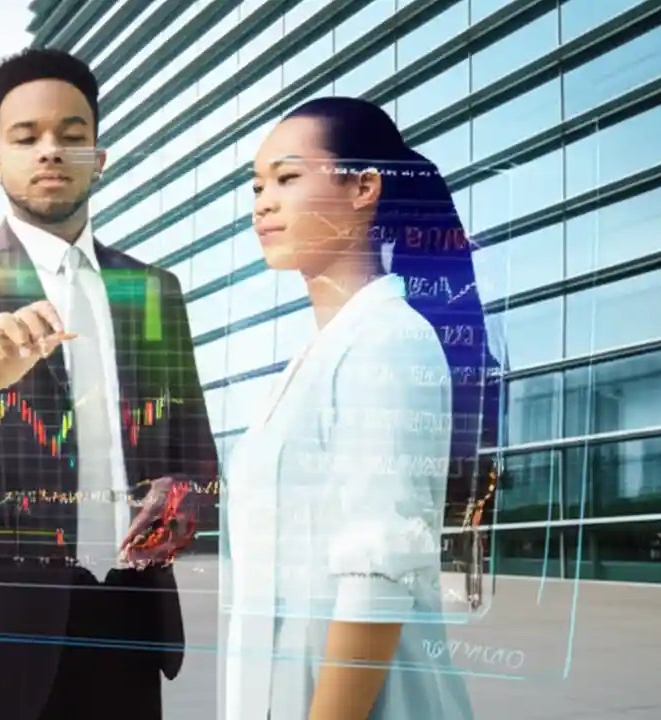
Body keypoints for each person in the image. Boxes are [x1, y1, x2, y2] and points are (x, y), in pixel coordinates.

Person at [0, 48, 218, 720]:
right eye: (26, 137)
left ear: (100, 155)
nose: (50, 151)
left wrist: (184, 497)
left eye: (72, 136)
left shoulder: (154, 292)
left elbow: (196, 457)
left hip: (124, 629)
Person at [221, 95, 500, 720]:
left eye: (288, 178)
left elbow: (378, 574)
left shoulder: (388, 341)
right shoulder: (316, 357)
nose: (263, 202)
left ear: (364, 188)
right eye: (258, 185)